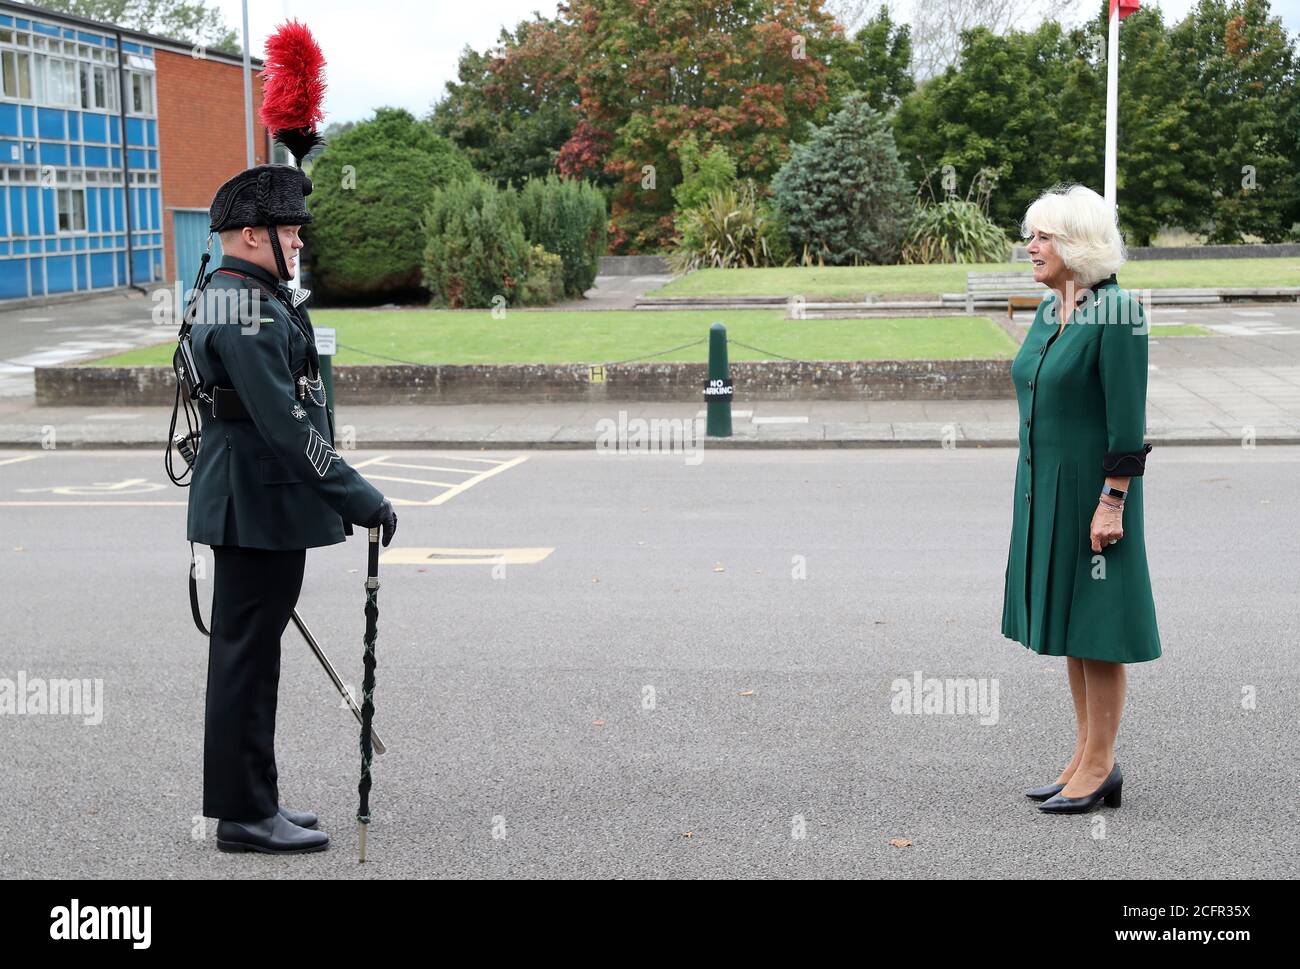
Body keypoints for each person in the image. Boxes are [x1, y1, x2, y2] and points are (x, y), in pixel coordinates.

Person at [185, 163, 398, 853]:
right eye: (289, 229)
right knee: (245, 662)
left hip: (257, 505)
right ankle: (245, 815)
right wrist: (357, 494)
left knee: (252, 658)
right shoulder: (242, 306)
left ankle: (256, 799)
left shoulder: (246, 293)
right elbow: (283, 426)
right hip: (254, 508)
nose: (300, 241)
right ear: (250, 235)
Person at [1001, 183, 1161, 814]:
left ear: (1078, 245)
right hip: (1045, 491)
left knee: (1098, 628)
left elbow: (1127, 422)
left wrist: (1112, 500)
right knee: (1072, 627)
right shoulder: (1051, 310)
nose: (1030, 247)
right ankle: (1082, 755)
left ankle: (1100, 764)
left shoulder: (1119, 314)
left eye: (1043, 236)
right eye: (1031, 234)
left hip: (1097, 494)